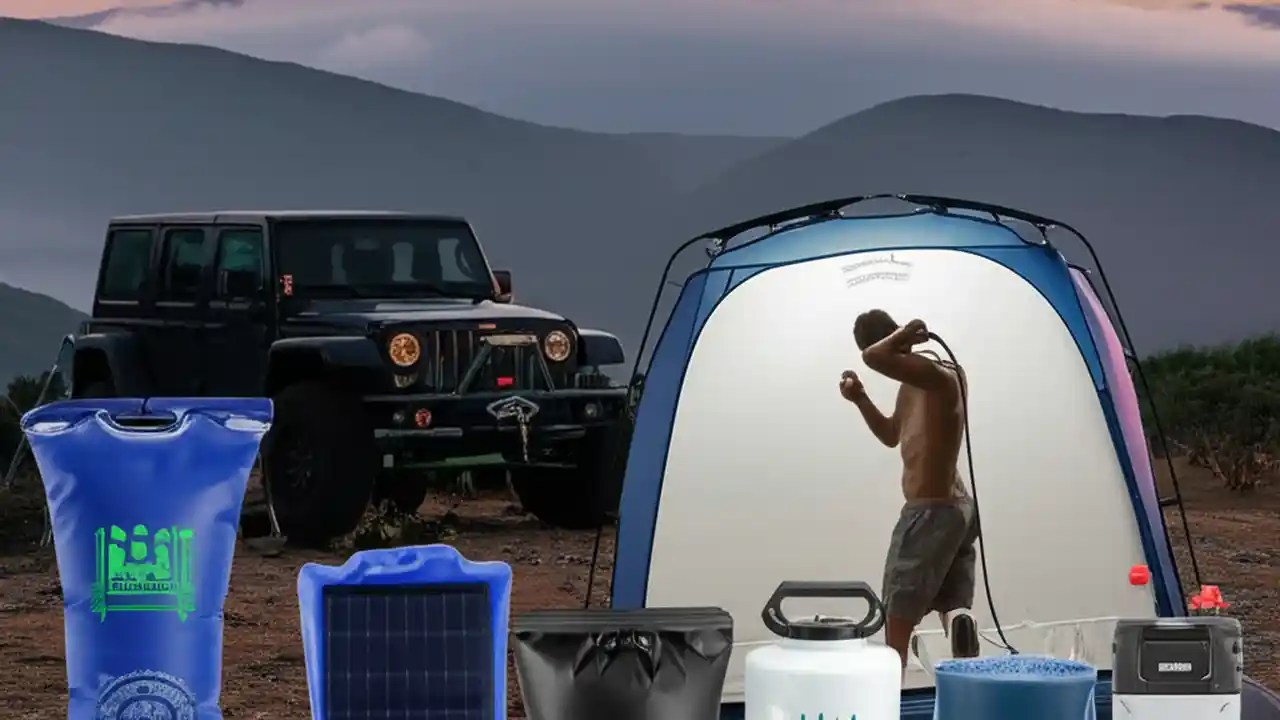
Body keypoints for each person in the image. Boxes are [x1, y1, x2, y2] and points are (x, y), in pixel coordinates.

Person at [839, 309, 980, 673]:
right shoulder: (915, 384)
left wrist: (904, 334)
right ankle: (961, 634)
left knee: (897, 607)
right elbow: (891, 435)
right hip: (954, 511)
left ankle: (892, 691)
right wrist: (861, 399)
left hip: (930, 511)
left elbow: (873, 357)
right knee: (952, 602)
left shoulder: (941, 375)